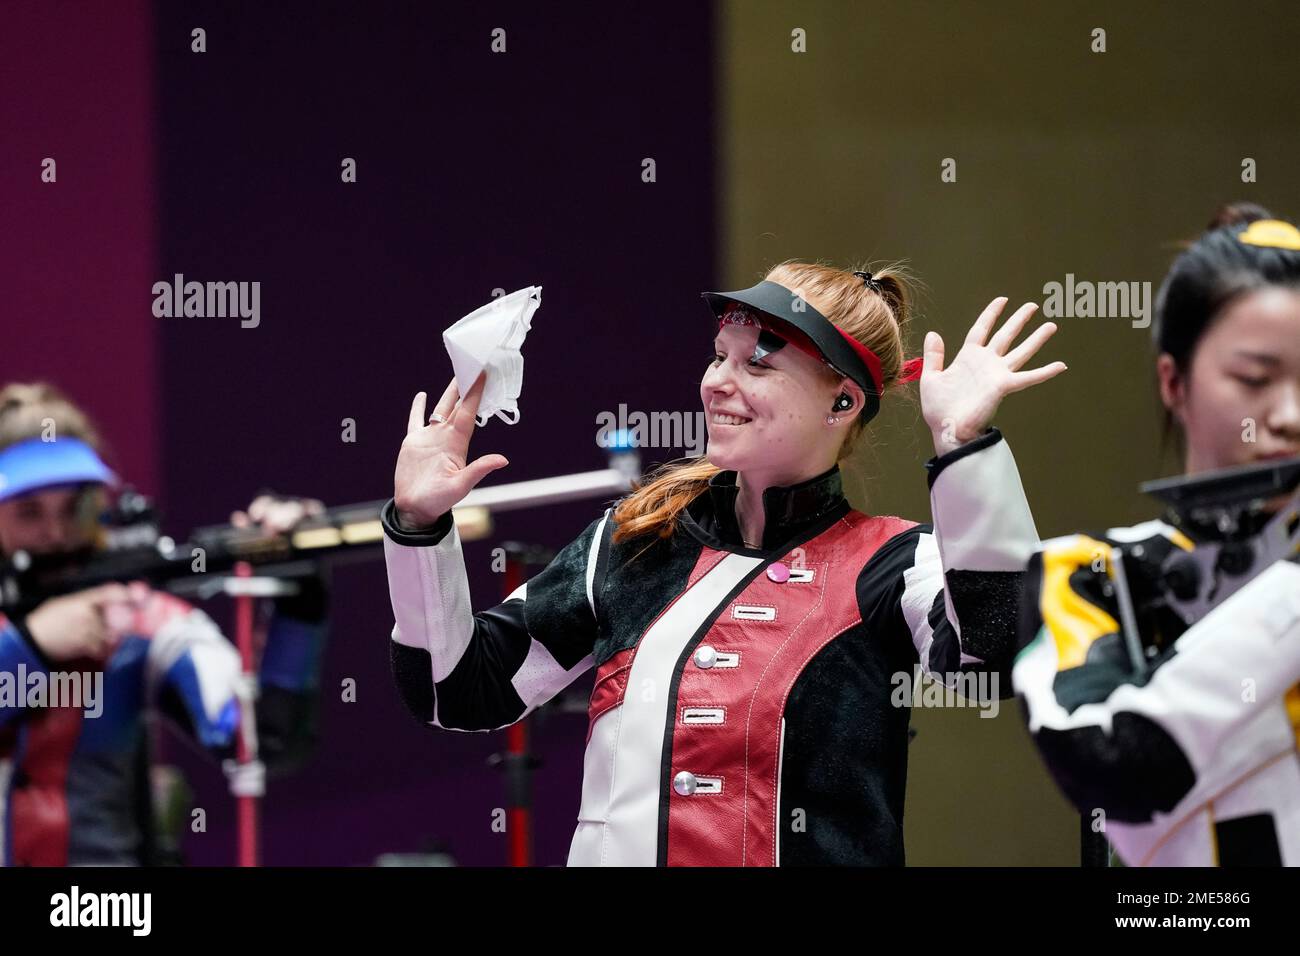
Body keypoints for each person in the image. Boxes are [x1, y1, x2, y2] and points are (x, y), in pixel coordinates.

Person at [383, 261, 1065, 865]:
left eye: (756, 364)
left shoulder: (891, 562)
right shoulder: (638, 540)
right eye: (719, 357)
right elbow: (455, 691)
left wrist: (963, 448)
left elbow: (996, 656)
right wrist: (418, 526)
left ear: (843, 401)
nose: (718, 383)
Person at [1014, 205, 1300, 866]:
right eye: (1255, 380)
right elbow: (1109, 763)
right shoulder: (1091, 572)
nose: (1288, 416)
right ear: (1174, 382)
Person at [0, 382, 328, 865]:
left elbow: (264, 743)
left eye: (75, 509)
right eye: (29, 512)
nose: (55, 532)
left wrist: (299, 597)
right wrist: (30, 644)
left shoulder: (139, 621)